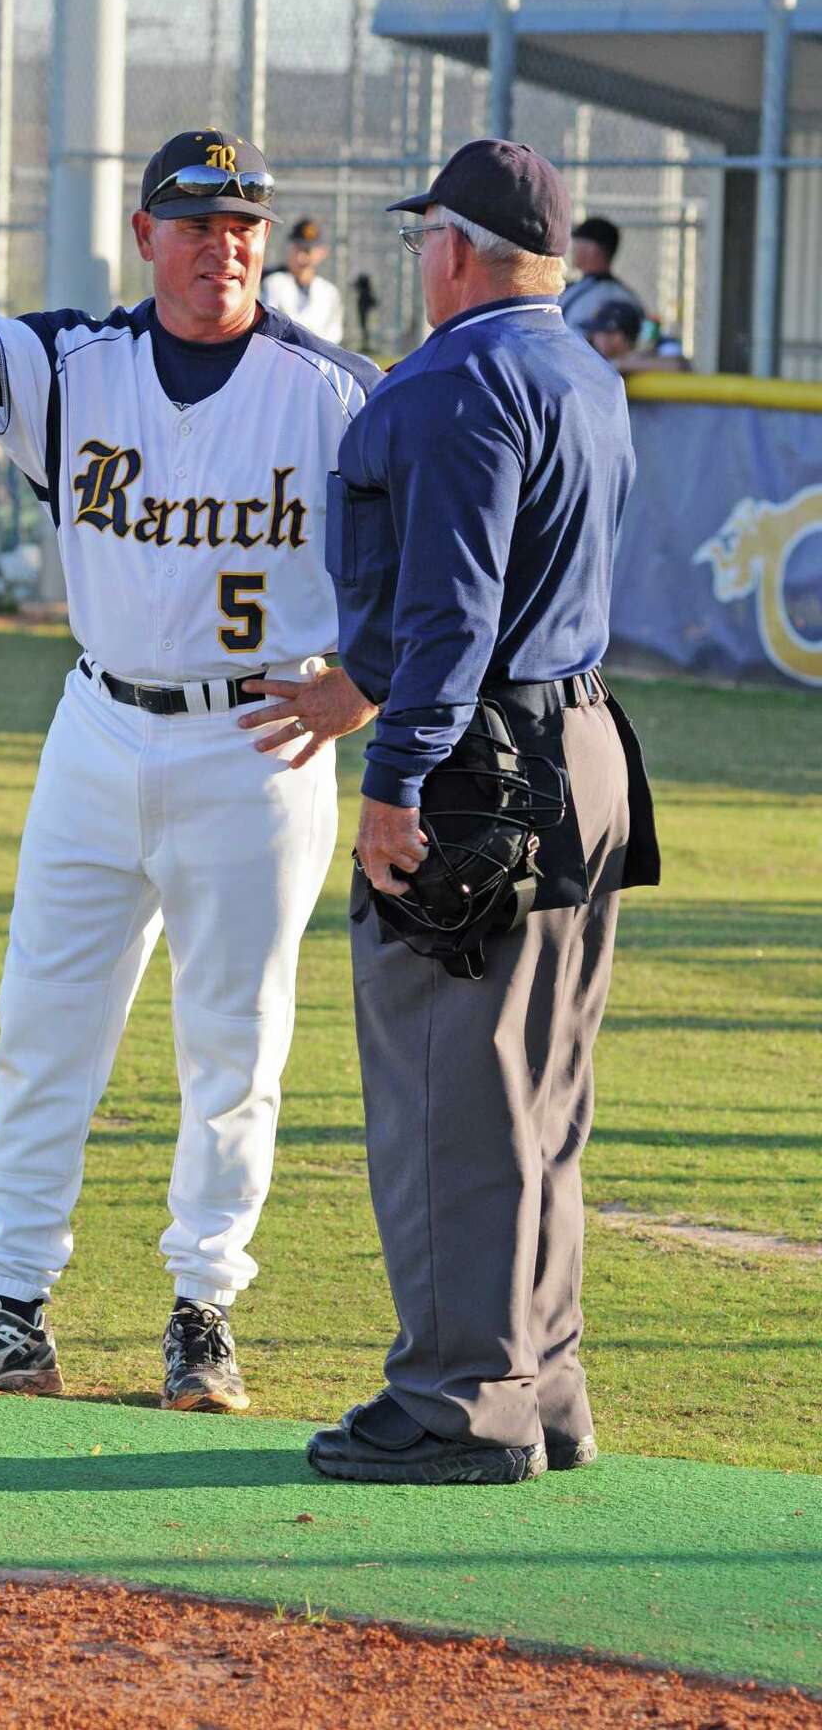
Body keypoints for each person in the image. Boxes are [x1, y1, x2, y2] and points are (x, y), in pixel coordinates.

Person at [0, 129, 379, 1412]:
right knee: (44, 1024)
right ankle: (12, 1303)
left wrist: (367, 683)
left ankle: (204, 1310)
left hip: (256, 740)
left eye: (244, 226)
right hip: (100, 728)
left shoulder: (334, 391)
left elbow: (433, 549)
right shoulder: (76, 363)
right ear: (146, 234)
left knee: (235, 1042)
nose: (224, 247)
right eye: (198, 223)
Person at [307, 138, 660, 1485]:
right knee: (543, 1092)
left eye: (424, 239)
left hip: (479, 762)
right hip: (586, 741)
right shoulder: (586, 370)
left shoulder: (456, 381)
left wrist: (395, 780)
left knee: (449, 1091)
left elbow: (448, 615)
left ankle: (462, 1398)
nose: (420, 259)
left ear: (455, 246)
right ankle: (544, 1382)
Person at [260, 217, 344, 343]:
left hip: (318, 352)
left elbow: (334, 334)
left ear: (322, 252)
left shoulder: (329, 292)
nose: (301, 257)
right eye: (297, 248)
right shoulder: (273, 283)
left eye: (307, 250)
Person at [559, 214, 644, 336]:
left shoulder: (614, 296)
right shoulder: (576, 286)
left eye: (579, 242)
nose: (573, 248)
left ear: (594, 250)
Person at [589, 299, 690, 373]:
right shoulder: (596, 356)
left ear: (617, 337)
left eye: (597, 331)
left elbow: (679, 365)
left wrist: (620, 365)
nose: (593, 336)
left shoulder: (664, 346)